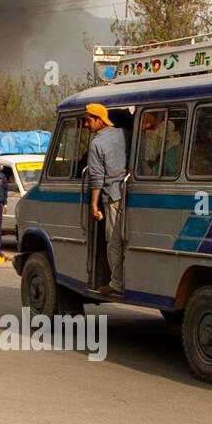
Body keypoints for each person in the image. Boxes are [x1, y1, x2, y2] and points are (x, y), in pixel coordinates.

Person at [84, 102, 127, 295]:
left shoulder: (96, 143)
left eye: (88, 121)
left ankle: (116, 283)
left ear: (99, 120)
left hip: (112, 196)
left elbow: (96, 177)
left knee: (113, 241)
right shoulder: (123, 133)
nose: (86, 125)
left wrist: (94, 205)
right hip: (128, 193)